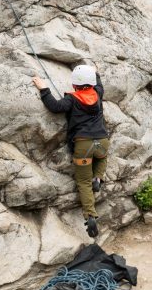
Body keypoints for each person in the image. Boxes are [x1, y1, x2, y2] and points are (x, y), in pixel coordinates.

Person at [32, 65, 110, 238]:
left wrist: (44, 88)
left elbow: (55, 106)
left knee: (83, 182)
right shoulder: (98, 94)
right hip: (102, 141)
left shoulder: (72, 100)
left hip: (83, 145)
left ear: (74, 84)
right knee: (102, 158)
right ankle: (98, 177)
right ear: (91, 82)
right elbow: (99, 84)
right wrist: (95, 72)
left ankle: (90, 215)